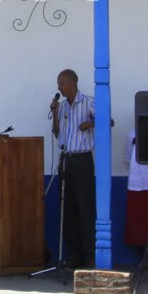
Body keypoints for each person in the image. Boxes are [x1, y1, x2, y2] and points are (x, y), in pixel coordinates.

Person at [49, 69, 96, 270]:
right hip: (65, 160)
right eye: (58, 84)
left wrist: (90, 123)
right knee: (67, 210)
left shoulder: (88, 102)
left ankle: (89, 257)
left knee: (85, 208)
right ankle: (73, 255)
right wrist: (55, 114)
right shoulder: (62, 107)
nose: (59, 87)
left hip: (82, 160)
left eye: (63, 83)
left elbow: (108, 121)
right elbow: (57, 133)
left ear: (74, 83)